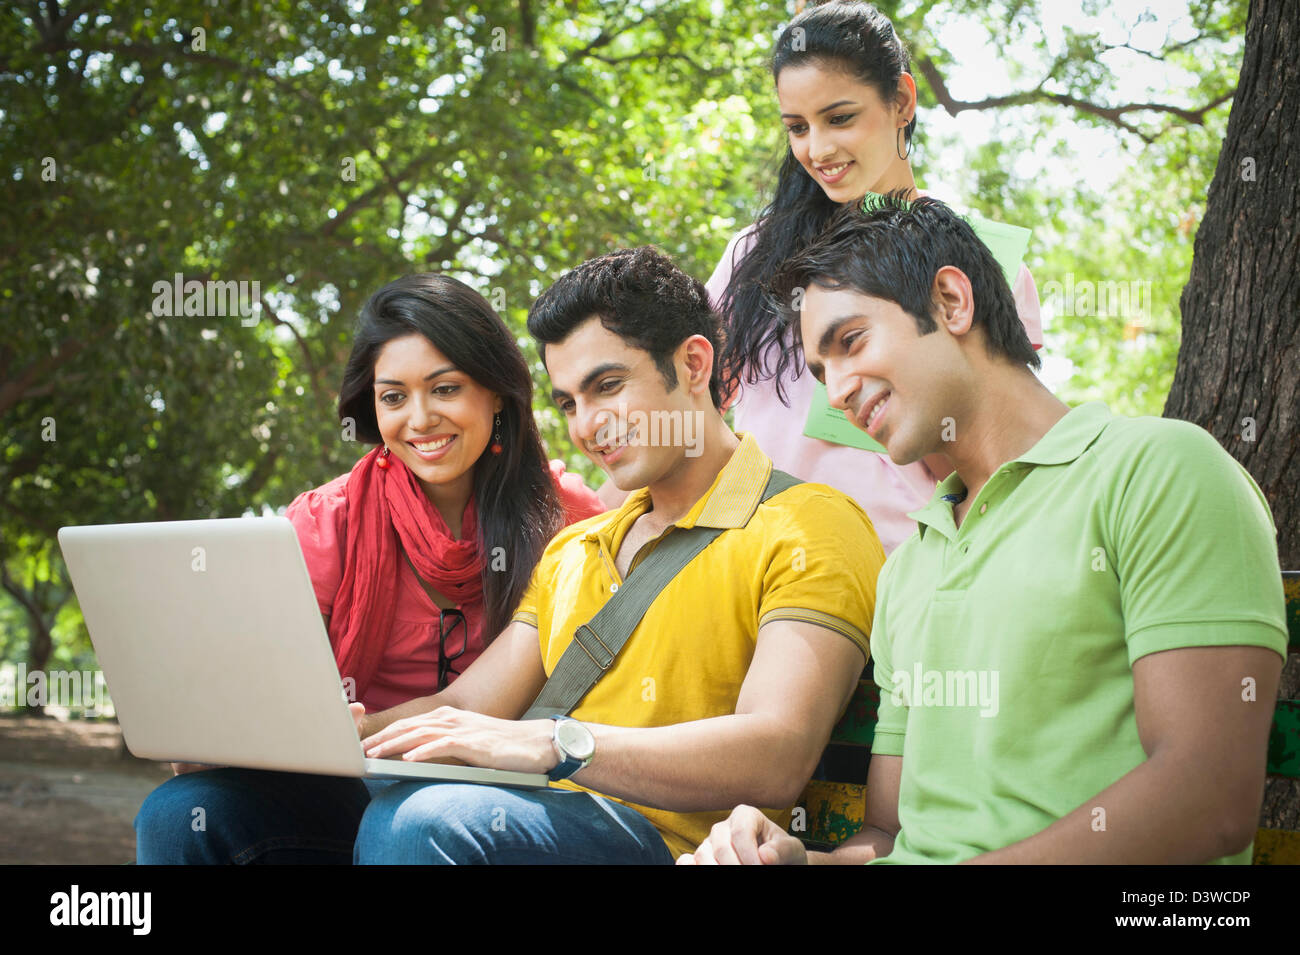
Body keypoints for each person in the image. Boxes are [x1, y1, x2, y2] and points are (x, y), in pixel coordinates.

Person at [680, 196, 1288, 865]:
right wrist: (801, 861)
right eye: (821, 374)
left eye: (850, 342)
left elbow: (1209, 797)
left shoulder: (1159, 470)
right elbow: (888, 833)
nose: (839, 392)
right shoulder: (913, 563)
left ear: (950, 300)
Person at [350, 246, 886, 864]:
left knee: (421, 822)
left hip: (672, 845)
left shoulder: (809, 523)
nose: (586, 426)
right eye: (569, 403)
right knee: (224, 808)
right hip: (532, 814)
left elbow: (777, 753)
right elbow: (465, 707)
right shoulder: (575, 547)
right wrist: (335, 735)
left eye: (607, 386)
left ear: (692, 363)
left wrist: (559, 743)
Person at [133, 273, 604, 864]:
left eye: (446, 388)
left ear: (497, 394)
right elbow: (255, 683)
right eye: (393, 397)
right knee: (180, 814)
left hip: (505, 793)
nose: (421, 418)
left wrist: (359, 731)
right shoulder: (326, 522)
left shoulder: (572, 520)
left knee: (409, 820)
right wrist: (213, 730)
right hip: (347, 784)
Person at [698, 0, 1043, 554]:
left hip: (907, 564)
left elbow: (996, 458)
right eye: (798, 128)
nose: (818, 149)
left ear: (901, 100)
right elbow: (690, 402)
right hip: (758, 557)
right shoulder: (755, 253)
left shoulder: (986, 260)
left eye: (839, 118)